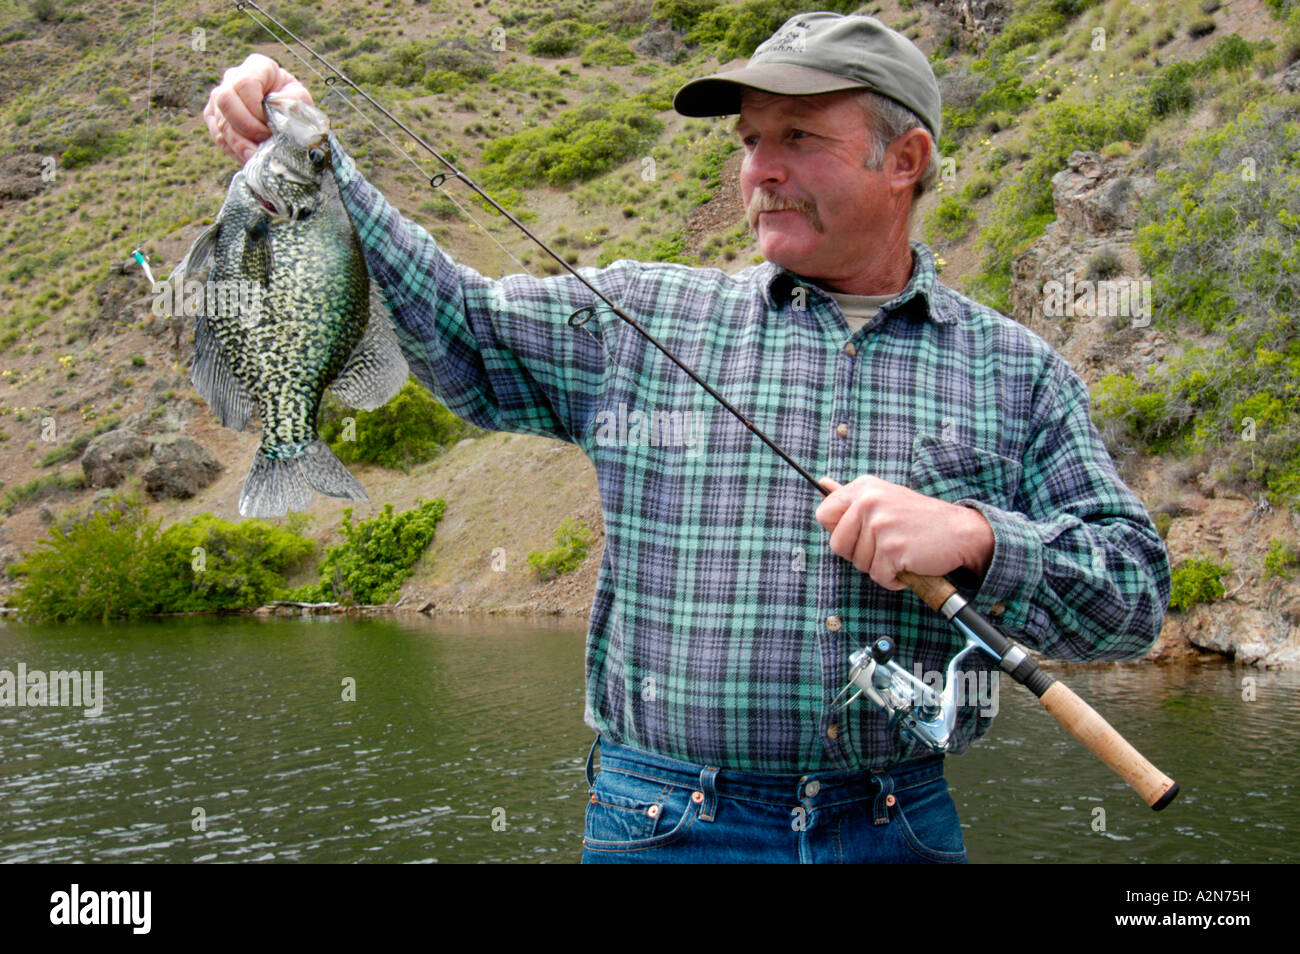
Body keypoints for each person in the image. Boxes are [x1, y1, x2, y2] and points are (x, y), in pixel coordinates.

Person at [203, 12, 1171, 863]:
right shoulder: (638, 312)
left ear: (904, 159)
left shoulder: (1017, 369)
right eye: (749, 141)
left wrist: (976, 538)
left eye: (797, 136)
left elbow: (1132, 595)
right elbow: (463, 330)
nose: (760, 170)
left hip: (898, 827)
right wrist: (313, 153)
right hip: (662, 825)